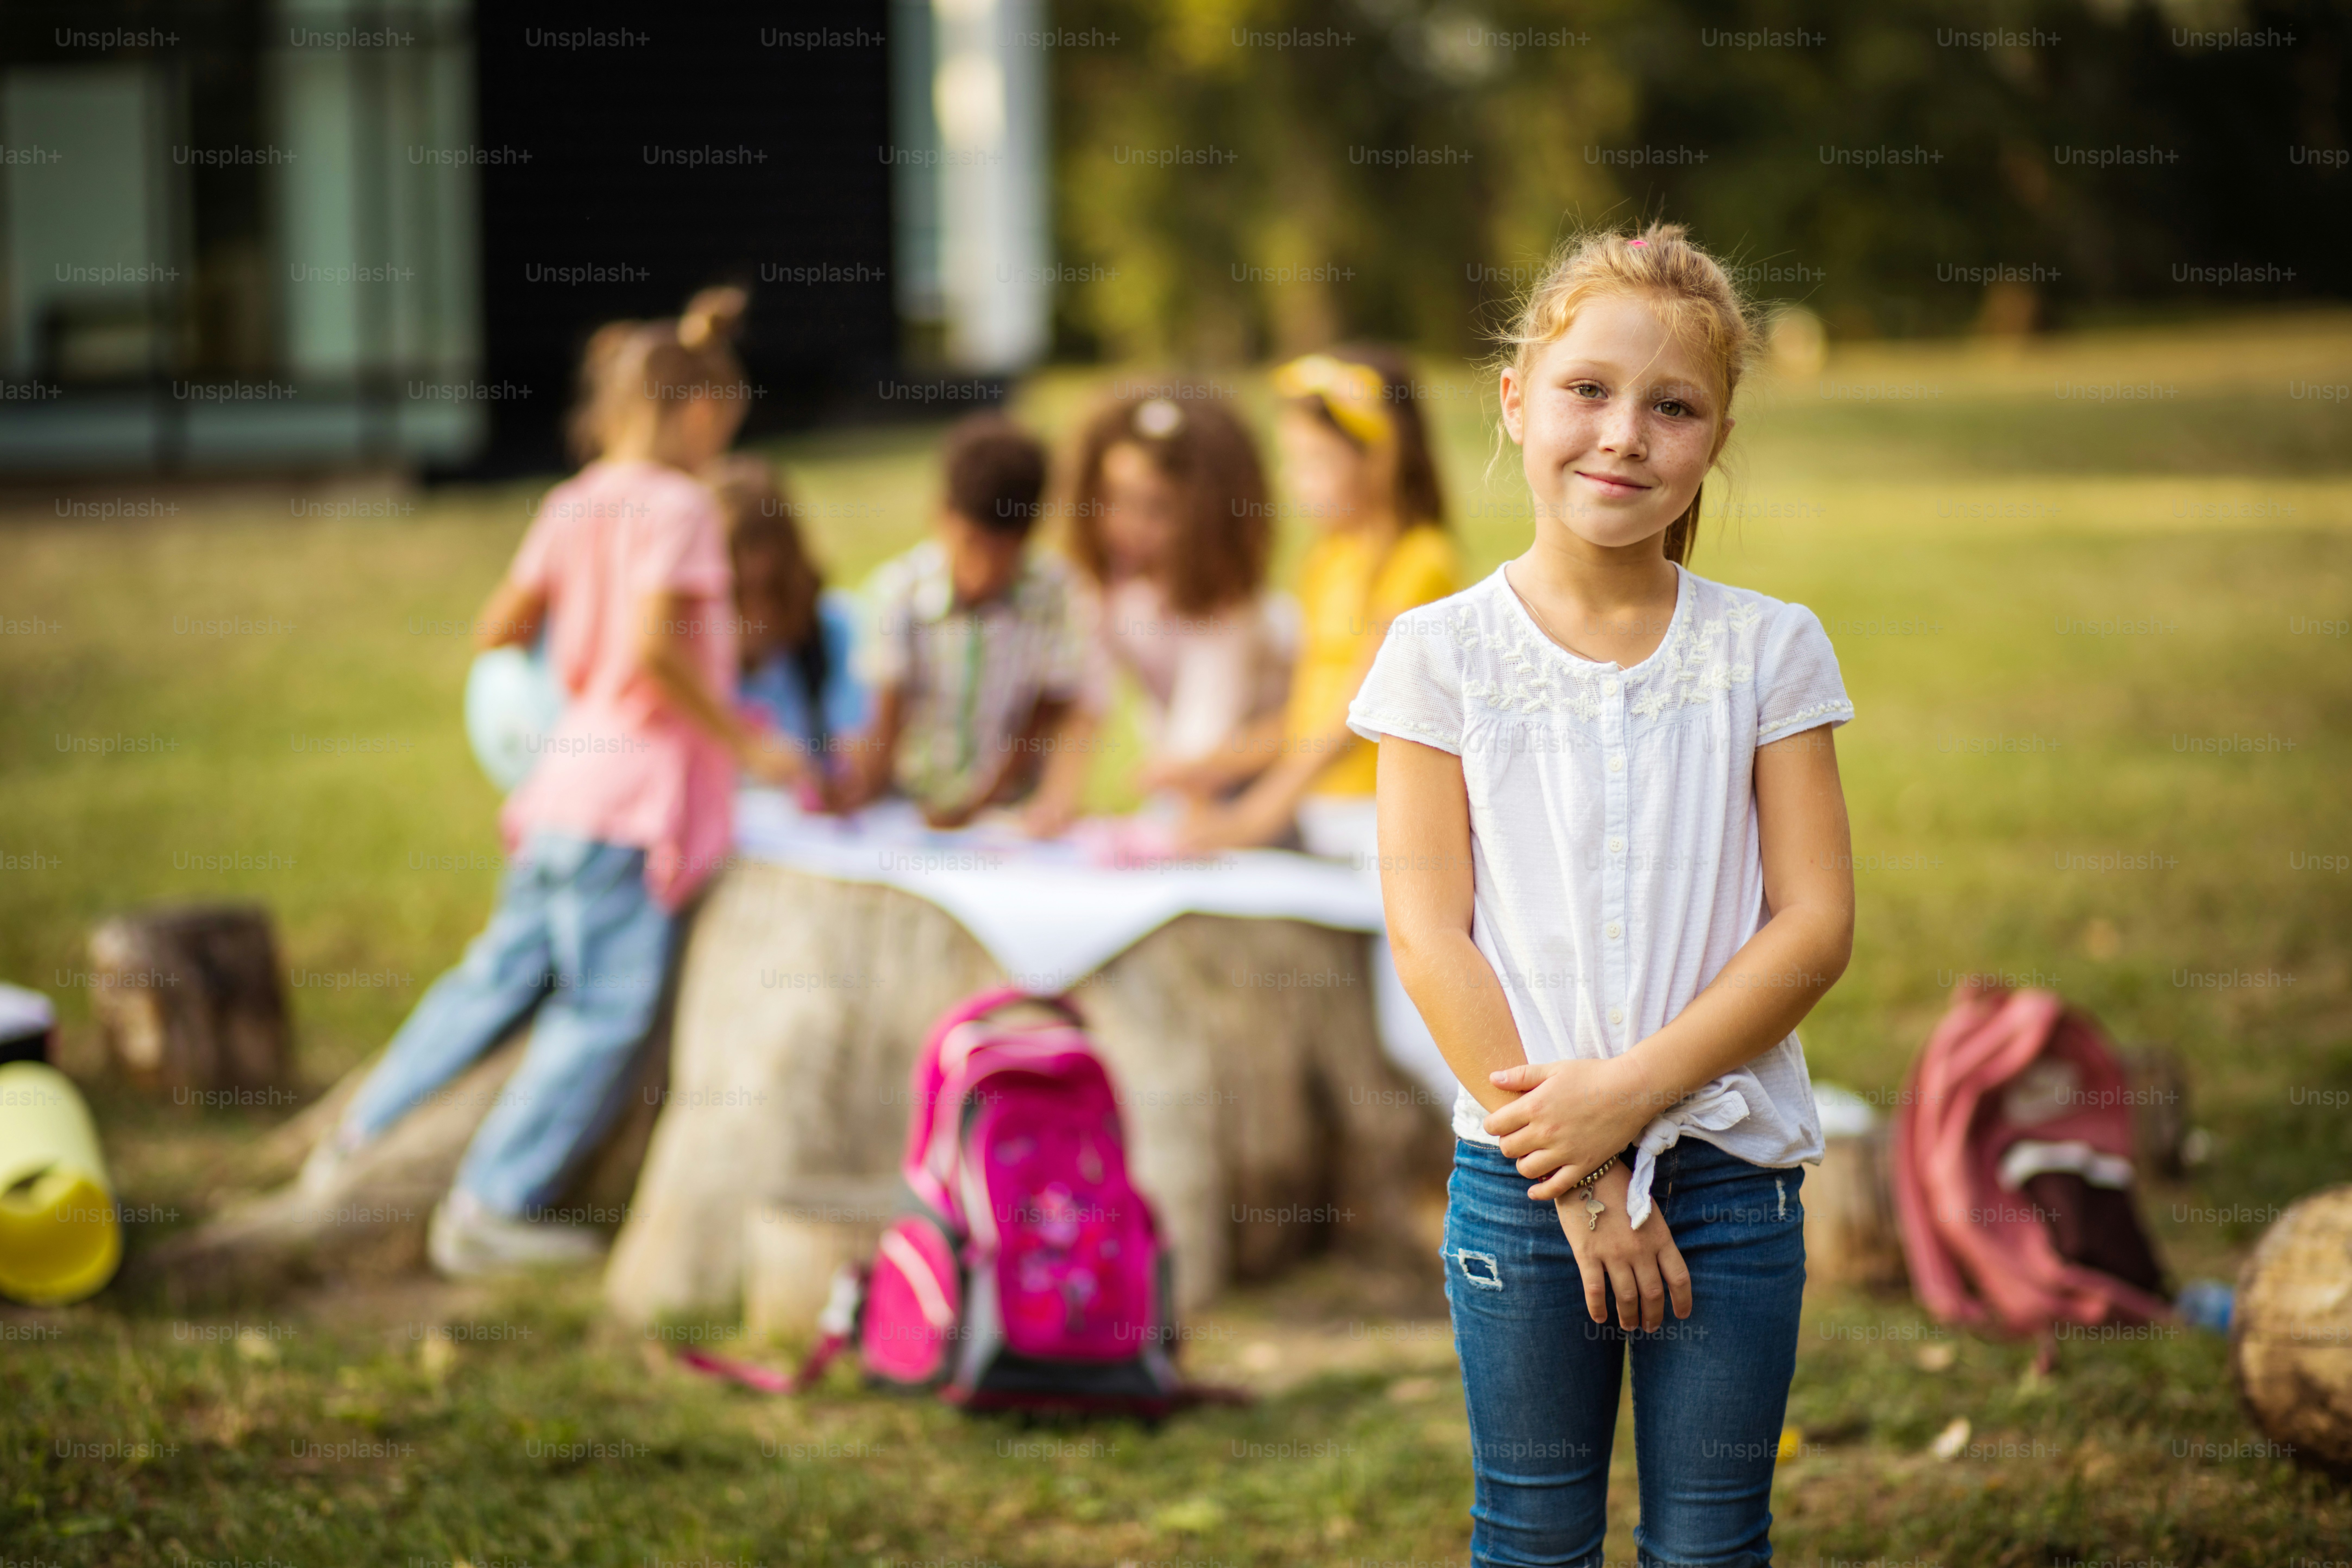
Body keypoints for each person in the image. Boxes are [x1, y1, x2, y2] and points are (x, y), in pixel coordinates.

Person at [1350, 223, 1857, 1564]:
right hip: (1521, 1185)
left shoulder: (1767, 650)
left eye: (1672, 405)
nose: (1625, 432)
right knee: (1530, 1530)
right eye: (1588, 388)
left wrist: (1632, 1097)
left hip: (1729, 1178)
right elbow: (1427, 928)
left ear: (1716, 436)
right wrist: (1577, 1179)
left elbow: (1813, 924)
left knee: (1707, 1540)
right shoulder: (1438, 656)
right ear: (1515, 400)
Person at [303, 288, 807, 1275]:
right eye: (726, 422)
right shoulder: (679, 507)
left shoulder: (572, 500)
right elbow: (658, 646)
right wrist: (745, 745)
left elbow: (500, 625)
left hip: (562, 787)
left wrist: (577, 666)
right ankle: (492, 1202)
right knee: (606, 1008)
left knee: (493, 975)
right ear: (699, 410)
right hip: (631, 803)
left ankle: (357, 1137)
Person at [1175, 345, 1459, 852]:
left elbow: (1361, 710)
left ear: (1378, 459)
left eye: (1315, 462)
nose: (1294, 482)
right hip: (1322, 812)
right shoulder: (1326, 561)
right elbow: (1309, 712)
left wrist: (1258, 812)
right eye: (1293, 462)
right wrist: (1217, 764)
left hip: (1381, 815)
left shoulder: (1418, 563)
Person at [841, 414, 1097, 834]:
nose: (983, 571)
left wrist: (984, 799)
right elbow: (887, 716)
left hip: (1010, 814)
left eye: (1003, 553)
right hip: (909, 804)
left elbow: (1050, 708)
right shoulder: (899, 592)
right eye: (972, 544)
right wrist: (858, 788)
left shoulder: (1057, 594)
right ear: (941, 517)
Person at [1060, 390, 1293, 800]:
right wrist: (1059, 792)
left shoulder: (1231, 606)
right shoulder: (1112, 588)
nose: (1129, 523)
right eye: (1114, 499)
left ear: (1206, 516)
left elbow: (1202, 734)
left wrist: (1169, 778)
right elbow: (1086, 690)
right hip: (1191, 781)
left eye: (1158, 509)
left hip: (1265, 793)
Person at [705, 455, 869, 797]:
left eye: (771, 590)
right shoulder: (681, 654)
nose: (755, 615)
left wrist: (838, 775)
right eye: (736, 595)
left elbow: (857, 751)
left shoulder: (829, 633)